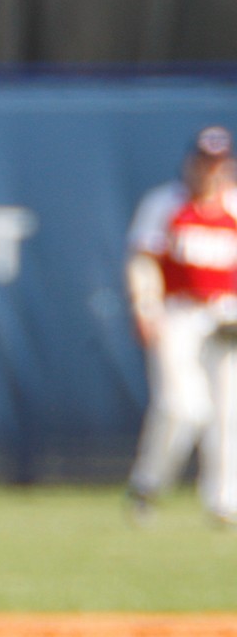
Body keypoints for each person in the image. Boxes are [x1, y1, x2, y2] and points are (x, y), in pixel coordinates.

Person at [123, 124, 237, 528]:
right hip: (179, 313)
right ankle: (147, 485)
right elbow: (143, 260)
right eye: (204, 161)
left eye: (218, 163)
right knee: (182, 407)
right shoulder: (166, 203)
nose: (210, 170)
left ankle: (223, 503)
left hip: (225, 316)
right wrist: (144, 307)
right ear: (191, 162)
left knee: (228, 412)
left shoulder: (234, 206)